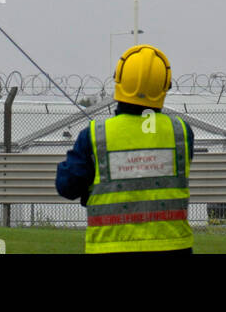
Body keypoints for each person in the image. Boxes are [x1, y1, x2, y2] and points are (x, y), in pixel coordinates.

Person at [56, 44, 195, 254]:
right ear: (164, 86)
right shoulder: (181, 133)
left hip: (109, 247)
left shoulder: (94, 136)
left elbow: (67, 187)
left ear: (119, 80)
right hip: (172, 247)